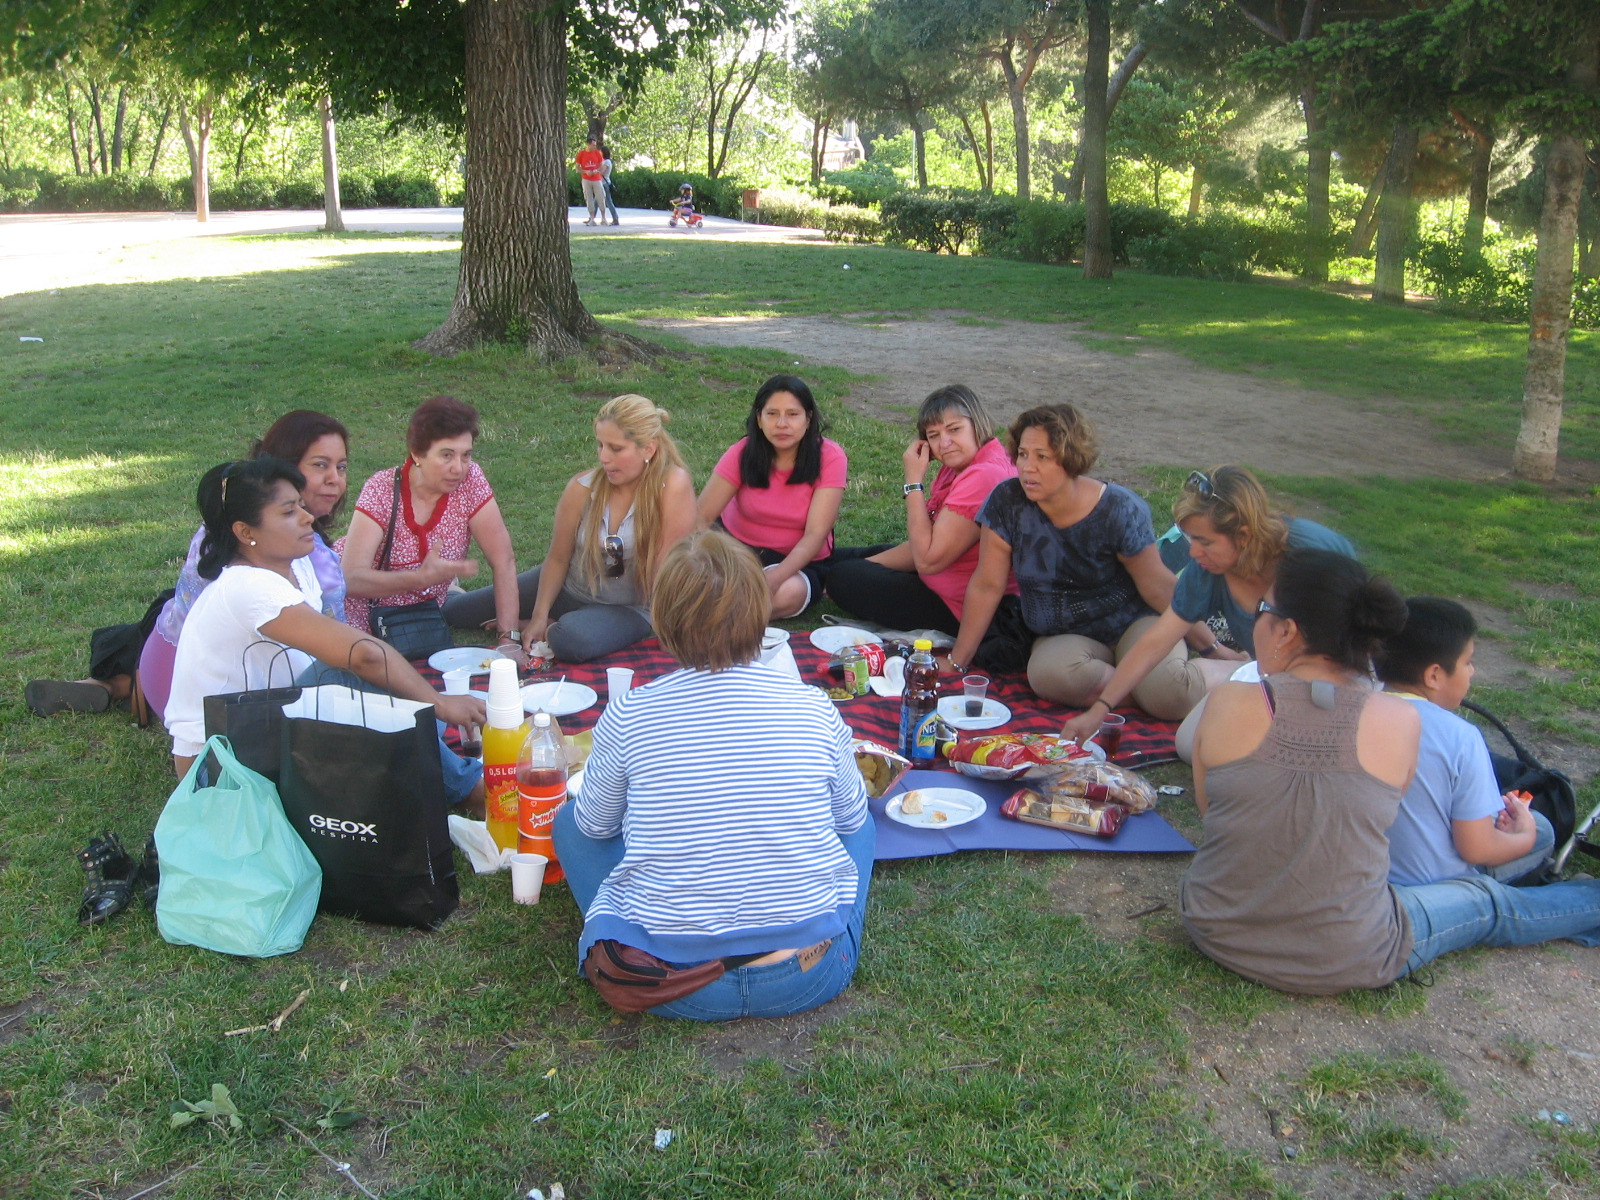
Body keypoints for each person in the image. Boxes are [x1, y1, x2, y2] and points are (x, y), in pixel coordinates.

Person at [1181, 549, 1600, 996]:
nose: (1254, 623)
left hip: (1214, 927)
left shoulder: (1228, 702)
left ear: (1287, 631)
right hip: (1348, 954)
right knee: (1485, 903)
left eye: (1262, 610)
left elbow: (1214, 813)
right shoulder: (1400, 721)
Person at [554, 530, 874, 1021]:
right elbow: (850, 820)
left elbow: (595, 828)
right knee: (864, 824)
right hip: (810, 975)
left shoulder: (629, 714)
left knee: (570, 821)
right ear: (760, 614)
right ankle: (802, 919)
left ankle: (619, 937)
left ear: (662, 619)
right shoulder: (812, 707)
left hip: (674, 986)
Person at [164, 459, 485, 796]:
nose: (307, 517)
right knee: (349, 671)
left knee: (374, 679)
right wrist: (442, 703)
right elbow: (362, 656)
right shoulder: (247, 587)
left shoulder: (296, 568)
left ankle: (446, 770)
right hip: (219, 770)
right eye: (289, 512)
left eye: (302, 506)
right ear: (245, 532)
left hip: (266, 729)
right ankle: (469, 789)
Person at [25, 410, 353, 724]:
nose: (333, 480)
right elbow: (342, 649)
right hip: (215, 700)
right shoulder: (308, 557)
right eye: (319, 465)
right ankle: (119, 685)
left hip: (164, 657)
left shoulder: (222, 522)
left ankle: (113, 685)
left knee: (166, 605)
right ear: (283, 467)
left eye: (341, 467)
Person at [1061, 465, 1353, 746]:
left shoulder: (1312, 555)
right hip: (1267, 675)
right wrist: (1099, 710)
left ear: (1244, 536)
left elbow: (1351, 639)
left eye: (1205, 541)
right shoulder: (1208, 570)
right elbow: (1157, 640)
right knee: (1192, 745)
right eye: (1191, 538)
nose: (1193, 551)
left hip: (1334, 677)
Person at [941, 403, 1182, 709]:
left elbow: (1158, 585)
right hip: (1065, 636)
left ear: (1070, 460)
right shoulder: (1007, 502)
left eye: (1042, 457)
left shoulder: (1118, 509)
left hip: (1132, 624)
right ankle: (1136, 688)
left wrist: (1213, 647)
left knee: (1170, 694)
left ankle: (1215, 675)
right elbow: (987, 585)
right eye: (1023, 454)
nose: (1028, 467)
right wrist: (958, 662)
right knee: (1048, 676)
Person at [445, 394, 695, 663]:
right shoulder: (582, 487)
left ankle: (561, 624)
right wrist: (540, 616)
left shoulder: (672, 485)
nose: (604, 458)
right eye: (600, 445)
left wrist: (670, 626)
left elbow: (665, 570)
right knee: (454, 613)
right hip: (571, 588)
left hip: (628, 606)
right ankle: (455, 590)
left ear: (648, 449)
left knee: (572, 640)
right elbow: (558, 557)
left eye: (616, 448)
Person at [1375, 597, 1555, 887]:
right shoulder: (1460, 735)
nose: (1472, 671)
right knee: (1542, 831)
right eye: (1467, 662)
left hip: (1363, 877)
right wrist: (1525, 836)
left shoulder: (1357, 709)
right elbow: (1477, 849)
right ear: (1434, 675)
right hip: (1433, 891)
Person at [827, 385, 1019, 647]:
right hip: (942, 574)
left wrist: (913, 483)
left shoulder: (984, 475)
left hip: (959, 607)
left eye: (954, 429)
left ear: (978, 424)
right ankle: (797, 566)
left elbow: (928, 561)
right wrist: (867, 564)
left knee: (843, 578)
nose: (945, 443)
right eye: (934, 435)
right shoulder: (961, 466)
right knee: (839, 558)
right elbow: (924, 546)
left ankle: (812, 579)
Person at [342, 397, 524, 665]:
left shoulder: (470, 479)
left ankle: (450, 594)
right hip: (368, 609)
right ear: (417, 453)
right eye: (447, 455)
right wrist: (417, 579)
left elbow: (503, 560)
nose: (459, 468)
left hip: (426, 608)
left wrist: (509, 640)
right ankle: (450, 593)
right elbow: (351, 579)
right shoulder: (381, 489)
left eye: (466, 454)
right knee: (372, 668)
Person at [697, 374, 846, 619]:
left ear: (808, 419)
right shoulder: (742, 452)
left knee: (786, 594)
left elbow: (816, 534)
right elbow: (701, 516)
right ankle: (728, 607)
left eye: (792, 414)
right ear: (759, 419)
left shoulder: (830, 457)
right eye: (772, 414)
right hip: (737, 551)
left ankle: (718, 612)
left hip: (796, 562)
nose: (782, 424)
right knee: (705, 578)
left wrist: (774, 578)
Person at [576, 136, 605, 225]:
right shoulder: (581, 154)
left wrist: (597, 170)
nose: (594, 147)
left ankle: (603, 218)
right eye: (593, 145)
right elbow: (577, 168)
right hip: (586, 179)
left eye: (595, 145)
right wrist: (585, 171)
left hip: (596, 178)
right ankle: (592, 218)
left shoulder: (597, 153)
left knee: (601, 197)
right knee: (589, 198)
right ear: (588, 144)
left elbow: (602, 165)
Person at [600, 145, 620, 226]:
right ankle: (591, 217)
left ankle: (615, 218)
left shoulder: (607, 162)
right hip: (602, 183)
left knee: (608, 201)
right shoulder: (604, 161)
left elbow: (602, 172)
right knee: (596, 201)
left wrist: (596, 171)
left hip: (605, 184)